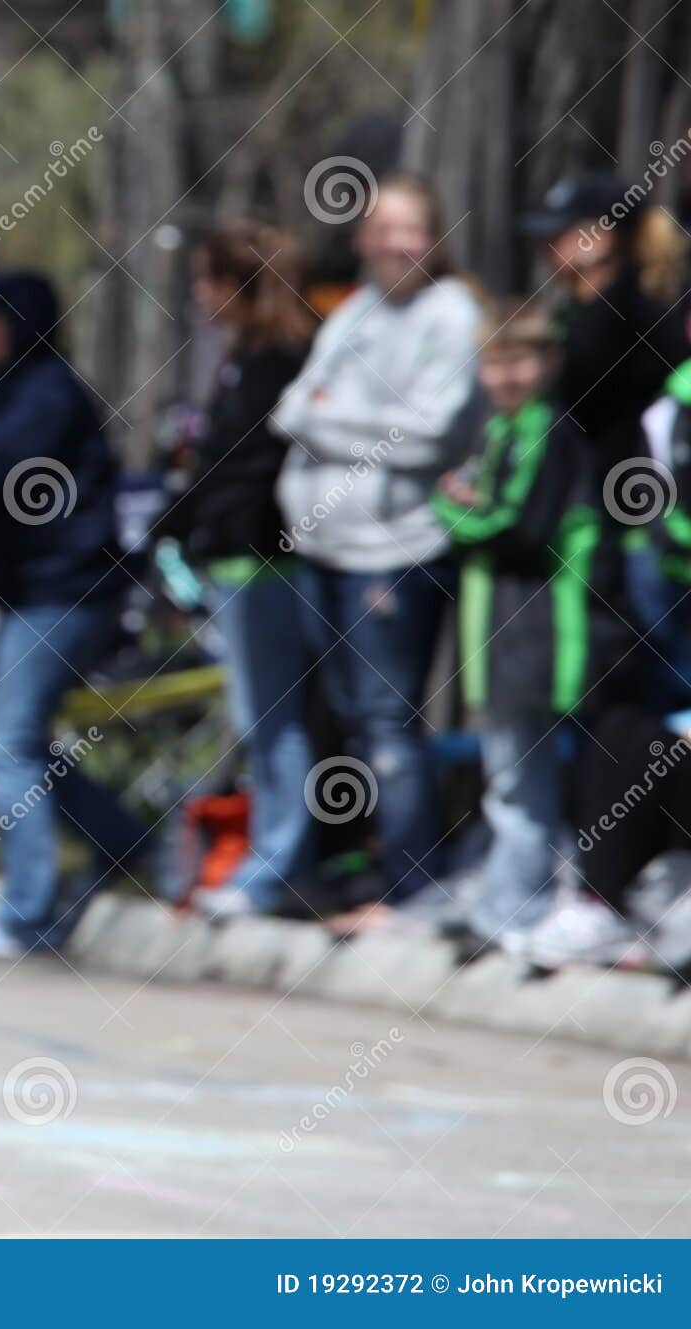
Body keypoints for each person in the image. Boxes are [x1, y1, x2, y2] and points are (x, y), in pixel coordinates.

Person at [271, 175, 483, 933]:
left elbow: (429, 433)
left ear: (435, 238)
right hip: (326, 549)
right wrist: (354, 422)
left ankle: (413, 889)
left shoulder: (450, 315)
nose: (396, 243)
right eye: (382, 228)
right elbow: (290, 407)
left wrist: (332, 422)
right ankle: (370, 874)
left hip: (395, 552)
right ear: (363, 238)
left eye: (411, 229)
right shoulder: (355, 310)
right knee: (354, 723)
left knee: (391, 723)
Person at [0, 270, 145, 958]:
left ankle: (25, 914)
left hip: (71, 592)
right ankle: (128, 841)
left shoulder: (48, 393)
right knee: (15, 736)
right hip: (31, 595)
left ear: (22, 322)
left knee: (9, 745)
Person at [430, 302, 624, 949]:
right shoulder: (500, 432)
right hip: (504, 631)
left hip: (538, 633)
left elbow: (516, 529)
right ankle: (521, 899)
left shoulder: (549, 433)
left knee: (520, 780)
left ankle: (514, 910)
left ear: (548, 364)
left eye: (519, 360)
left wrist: (448, 509)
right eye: (493, 361)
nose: (505, 375)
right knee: (516, 776)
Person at [164, 221, 317, 919]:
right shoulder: (242, 357)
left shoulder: (276, 360)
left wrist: (194, 513)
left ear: (236, 287)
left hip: (265, 561)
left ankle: (277, 864)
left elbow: (246, 465)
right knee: (257, 717)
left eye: (208, 281)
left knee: (273, 719)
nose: (199, 295)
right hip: (232, 559)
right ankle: (270, 854)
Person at [523, 177, 691, 709]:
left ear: (603, 237)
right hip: (602, 528)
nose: (546, 249)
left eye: (561, 234)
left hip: (639, 535)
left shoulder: (630, 316)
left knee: (656, 698)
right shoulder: (583, 313)